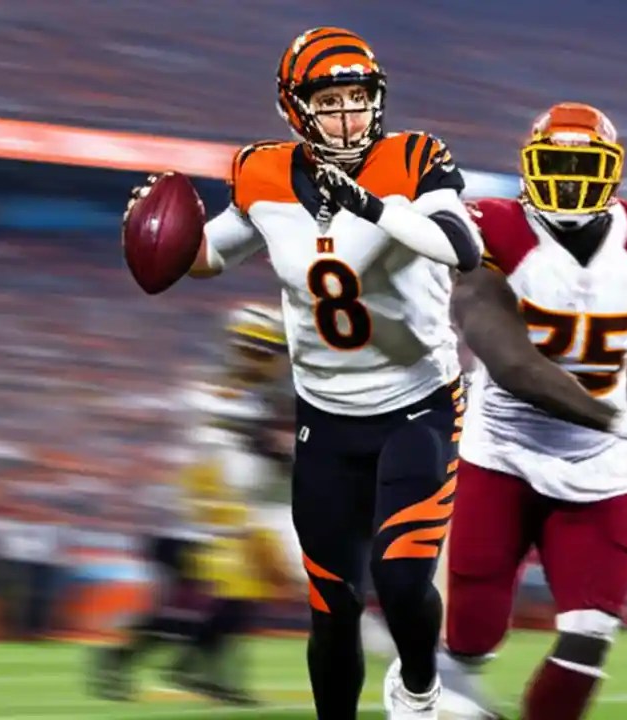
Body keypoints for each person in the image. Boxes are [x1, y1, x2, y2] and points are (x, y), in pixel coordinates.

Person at [124, 26, 484, 719]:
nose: (349, 117)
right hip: (324, 416)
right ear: (295, 107)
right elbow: (209, 256)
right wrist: (154, 231)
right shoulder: (262, 173)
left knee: (402, 577)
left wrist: (373, 206)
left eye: (359, 99)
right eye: (331, 101)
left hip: (418, 403)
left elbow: (460, 245)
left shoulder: (413, 157)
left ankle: (417, 694)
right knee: (333, 604)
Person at [436, 102, 627, 719]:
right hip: (502, 454)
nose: (569, 180)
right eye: (557, 165)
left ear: (612, 172)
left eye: (583, 166)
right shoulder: (492, 230)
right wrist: (623, 419)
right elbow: (513, 367)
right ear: (529, 166)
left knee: (590, 633)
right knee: (470, 636)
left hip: (599, 469)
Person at [91, 304, 293, 705]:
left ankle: (200, 672)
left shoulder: (254, 399)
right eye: (264, 351)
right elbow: (259, 443)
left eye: (274, 352)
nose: (272, 361)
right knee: (187, 610)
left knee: (237, 600)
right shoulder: (214, 396)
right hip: (187, 519)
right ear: (242, 350)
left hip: (221, 520)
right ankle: (127, 660)